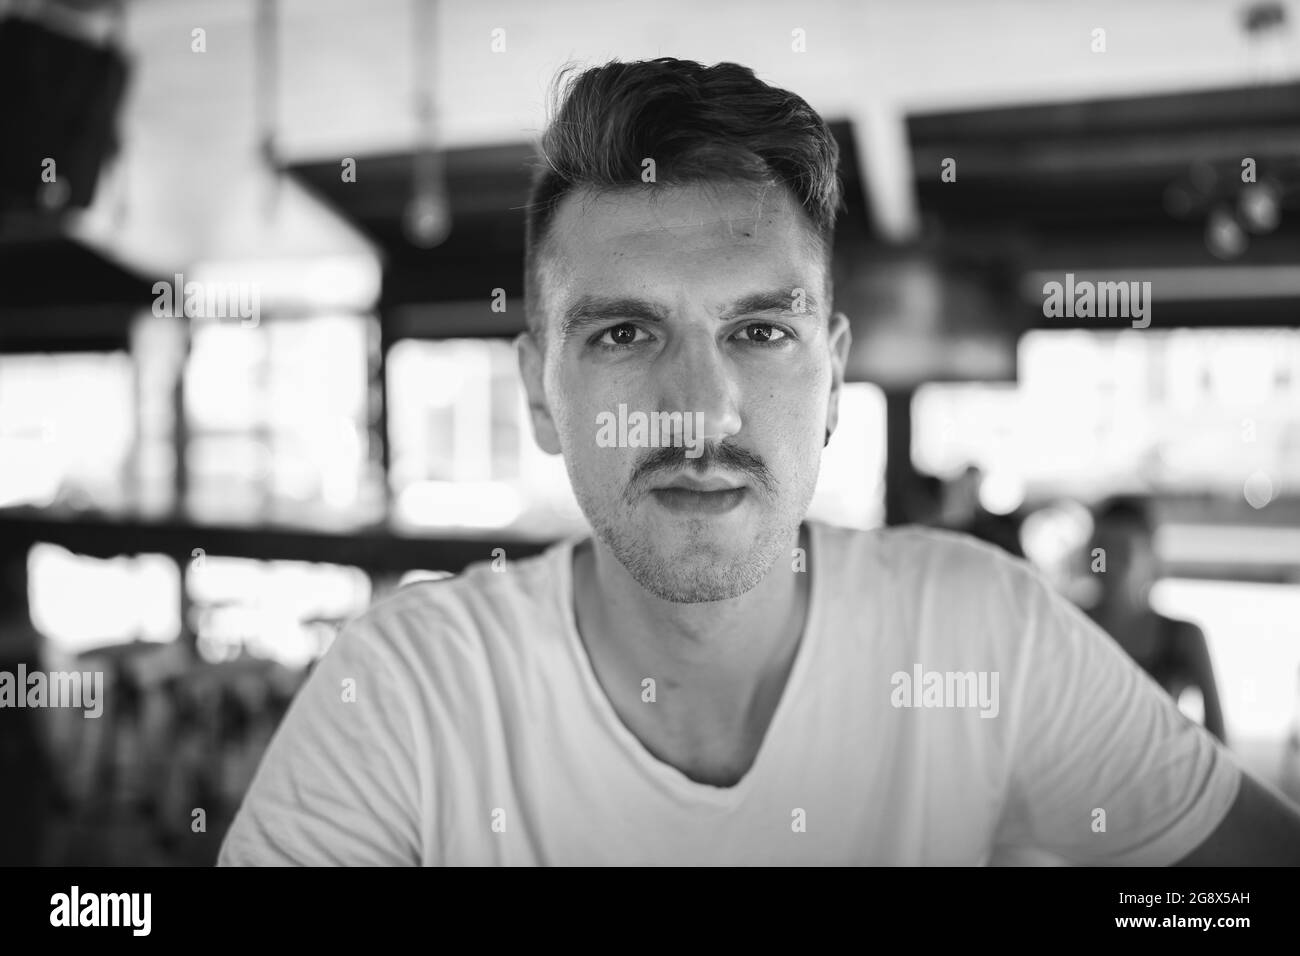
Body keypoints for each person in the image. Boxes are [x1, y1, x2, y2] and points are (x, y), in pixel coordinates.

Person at [218, 57, 1300, 865]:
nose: (699, 409)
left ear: (830, 379)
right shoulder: (408, 696)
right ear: (542, 390)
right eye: (624, 333)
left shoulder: (981, 632)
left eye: (759, 331)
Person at [1086, 496, 1227, 743]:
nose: (1108, 563)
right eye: (1101, 551)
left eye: (1123, 552)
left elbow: (1219, 741)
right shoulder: (1072, 624)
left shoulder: (1182, 637)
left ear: (1150, 558)